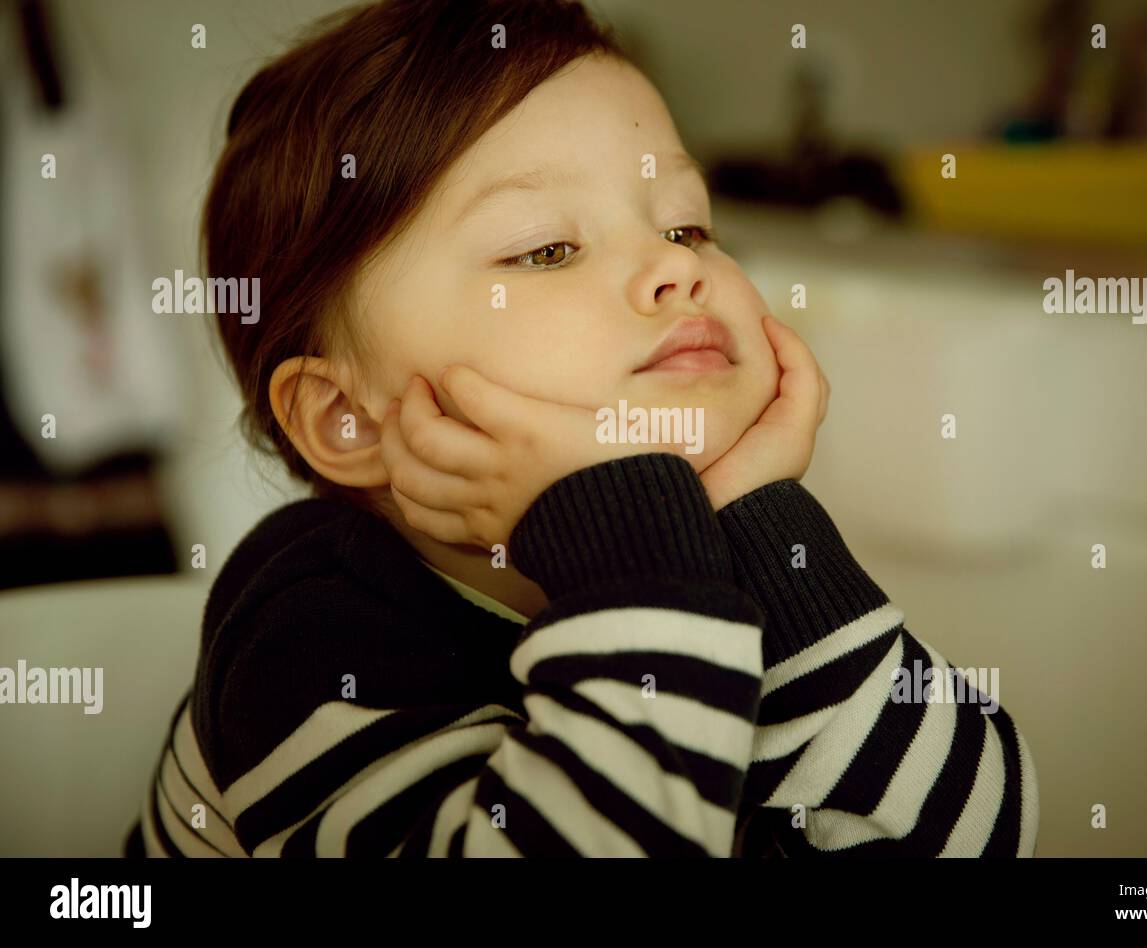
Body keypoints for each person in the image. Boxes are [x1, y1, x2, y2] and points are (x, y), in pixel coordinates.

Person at [128, 0, 1038, 858]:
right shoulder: (306, 639)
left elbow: (971, 835)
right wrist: (627, 547)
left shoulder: (723, 555)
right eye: (547, 249)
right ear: (346, 415)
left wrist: (756, 512)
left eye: (687, 227)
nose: (672, 270)